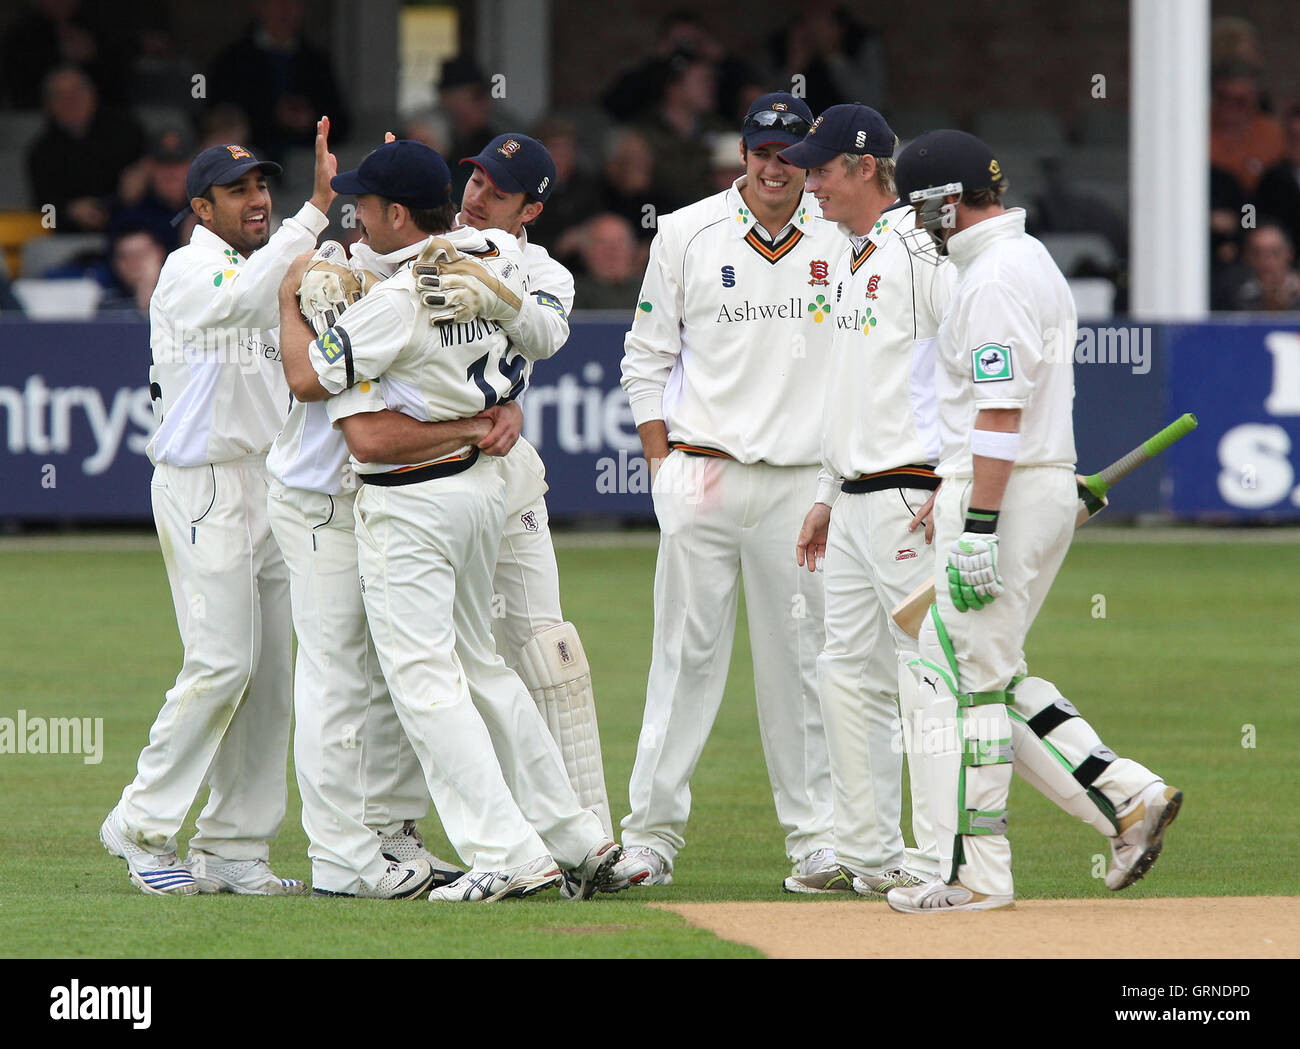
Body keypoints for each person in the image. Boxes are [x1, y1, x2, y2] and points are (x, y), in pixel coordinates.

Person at [277, 139, 621, 902]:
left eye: (365, 207)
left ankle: (509, 850)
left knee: (425, 682)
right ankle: (575, 837)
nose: (355, 218)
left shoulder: (397, 297)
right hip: (478, 493)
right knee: (481, 670)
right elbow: (530, 322)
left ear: (398, 214)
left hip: (413, 500)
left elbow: (306, 378)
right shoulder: (491, 263)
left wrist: (288, 294)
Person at [886, 130, 1181, 913]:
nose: (919, 227)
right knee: (990, 669)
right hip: (1030, 485)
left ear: (948, 201)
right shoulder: (1025, 261)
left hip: (1005, 491)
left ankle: (978, 872)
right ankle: (1125, 796)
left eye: (922, 210)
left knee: (966, 683)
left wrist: (980, 522)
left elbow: (999, 407)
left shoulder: (993, 278)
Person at [100, 120, 338, 896]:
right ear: (202, 207)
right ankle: (140, 822)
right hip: (201, 484)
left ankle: (235, 843)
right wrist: (312, 218)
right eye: (238, 191)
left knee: (270, 675)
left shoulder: (271, 264)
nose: (258, 200)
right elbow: (243, 300)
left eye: (263, 186)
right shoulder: (186, 271)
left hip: (267, 479)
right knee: (221, 660)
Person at [613, 92, 839, 889]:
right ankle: (648, 838)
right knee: (682, 659)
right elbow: (645, 360)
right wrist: (662, 466)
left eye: (790, 154)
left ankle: (817, 840)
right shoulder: (684, 231)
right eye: (762, 151)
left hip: (800, 481)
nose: (775, 168)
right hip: (704, 470)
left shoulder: (841, 236)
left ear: (809, 158)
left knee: (803, 664)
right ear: (741, 153)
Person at [780, 104, 952, 896]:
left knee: (929, 674)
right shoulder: (846, 253)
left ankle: (939, 855)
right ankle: (868, 850)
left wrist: (953, 476)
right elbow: (846, 386)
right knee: (844, 669)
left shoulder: (922, 254)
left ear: (863, 168)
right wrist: (824, 489)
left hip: (909, 495)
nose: (807, 182)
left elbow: (971, 366)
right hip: (851, 499)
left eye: (819, 168)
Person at [25, 64, 146, 232]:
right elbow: (44, 212)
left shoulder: (125, 129)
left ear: (93, 94)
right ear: (48, 105)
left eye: (77, 91)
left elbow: (162, 165)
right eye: (59, 96)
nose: (70, 101)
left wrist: (144, 173)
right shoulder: (40, 152)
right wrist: (70, 211)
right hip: (71, 238)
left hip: (134, 228)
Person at [572, 213, 644, 311]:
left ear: (632, 249)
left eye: (620, 242)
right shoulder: (570, 295)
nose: (612, 250)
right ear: (587, 251)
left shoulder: (652, 290)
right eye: (602, 243)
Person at [1233, 222, 1300, 311]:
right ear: (1246, 256)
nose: (1266, 261)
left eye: (1275, 253)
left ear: (1289, 254)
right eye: (1257, 253)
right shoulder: (1233, 292)